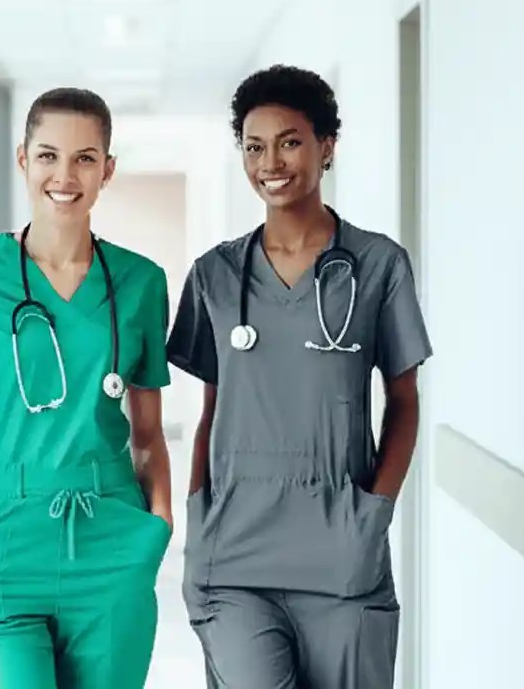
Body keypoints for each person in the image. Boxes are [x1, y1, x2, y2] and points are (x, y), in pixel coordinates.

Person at [167, 65, 432, 688]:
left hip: (341, 549)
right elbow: (212, 412)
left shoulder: (377, 265)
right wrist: (199, 518)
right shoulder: (215, 276)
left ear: (326, 146)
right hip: (233, 553)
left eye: (288, 141)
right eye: (253, 147)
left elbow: (404, 402)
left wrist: (374, 515)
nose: (270, 162)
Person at [0, 87, 174, 689]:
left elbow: (147, 431)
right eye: (48, 156)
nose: (64, 176)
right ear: (23, 159)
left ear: (107, 170)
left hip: (110, 544)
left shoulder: (142, 283)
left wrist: (159, 525)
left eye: (85, 158)